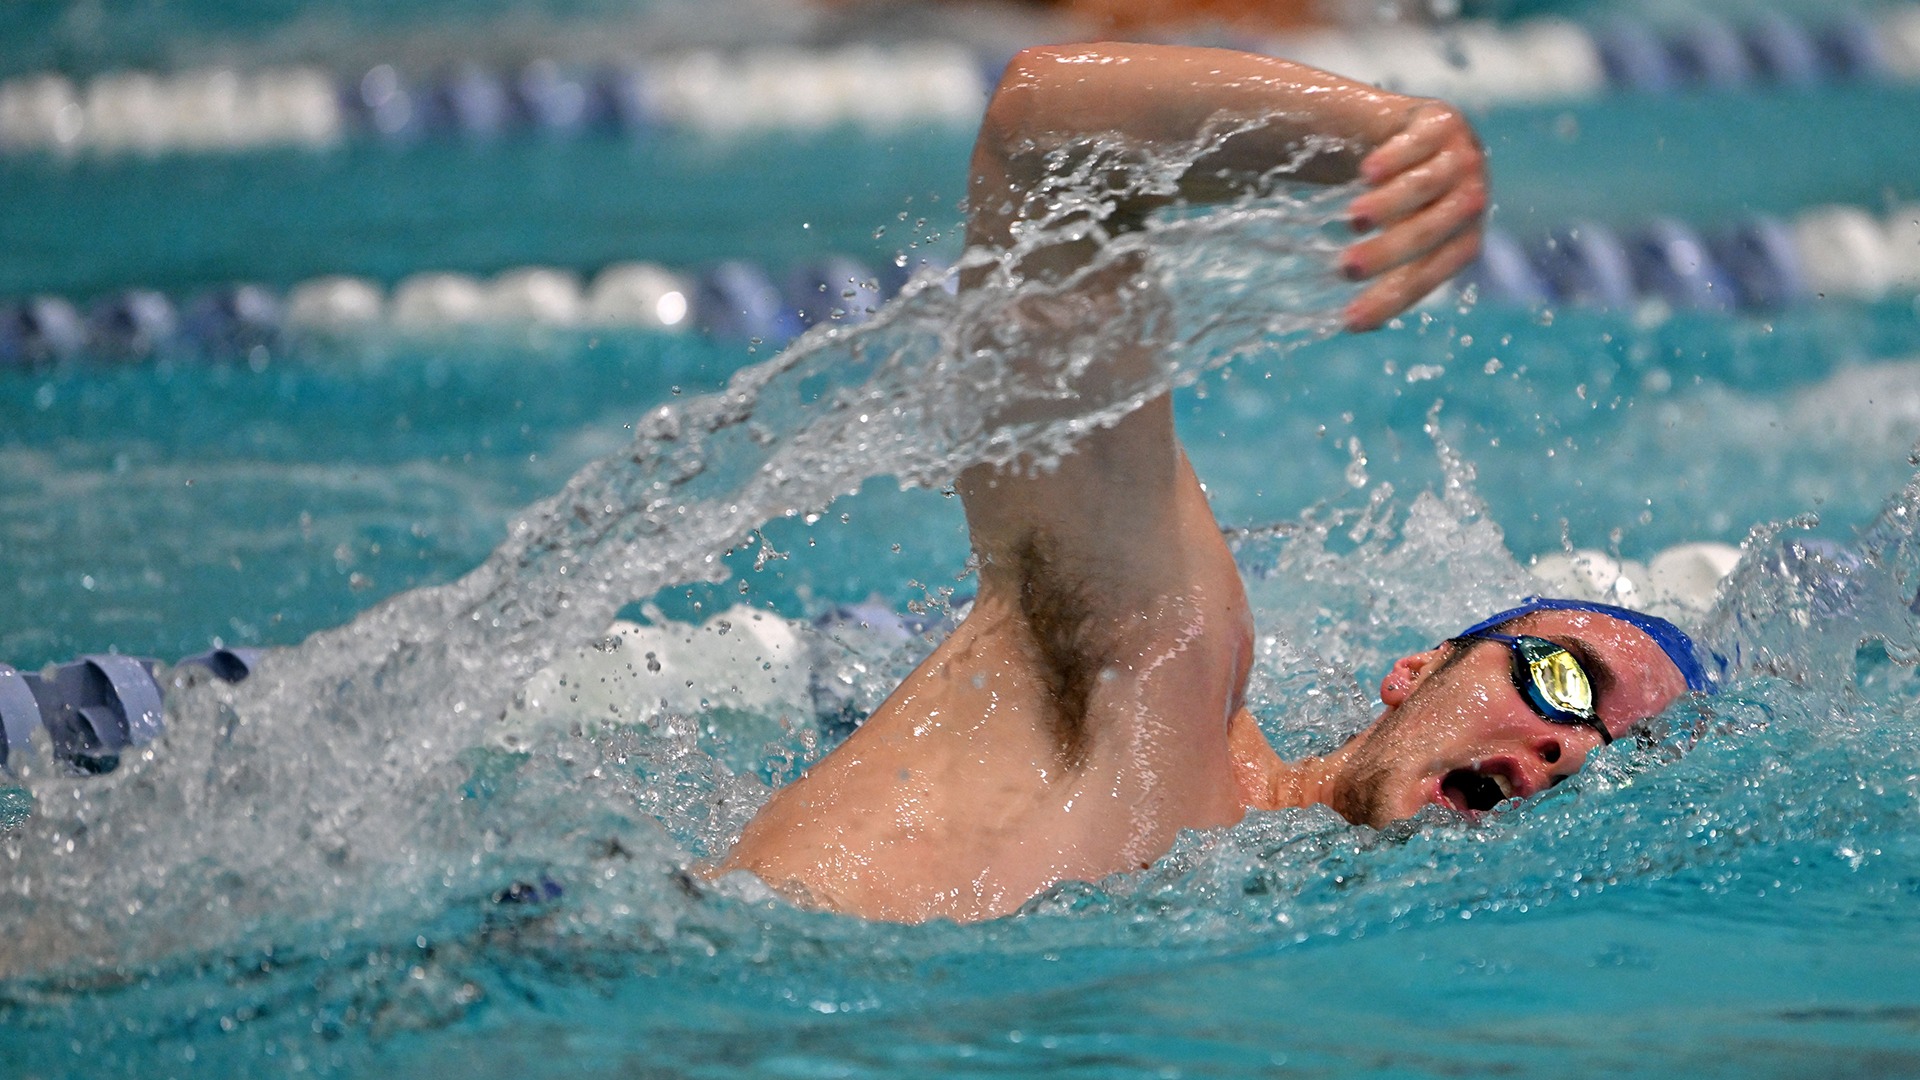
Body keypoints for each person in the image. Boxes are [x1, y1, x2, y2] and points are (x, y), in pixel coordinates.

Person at [719, 43, 1710, 923]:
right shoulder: (1157, 667)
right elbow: (1049, 139)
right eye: (1564, 679)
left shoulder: (1256, 913)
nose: (1573, 751)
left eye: (1619, 757)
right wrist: (1384, 133)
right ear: (1417, 669)